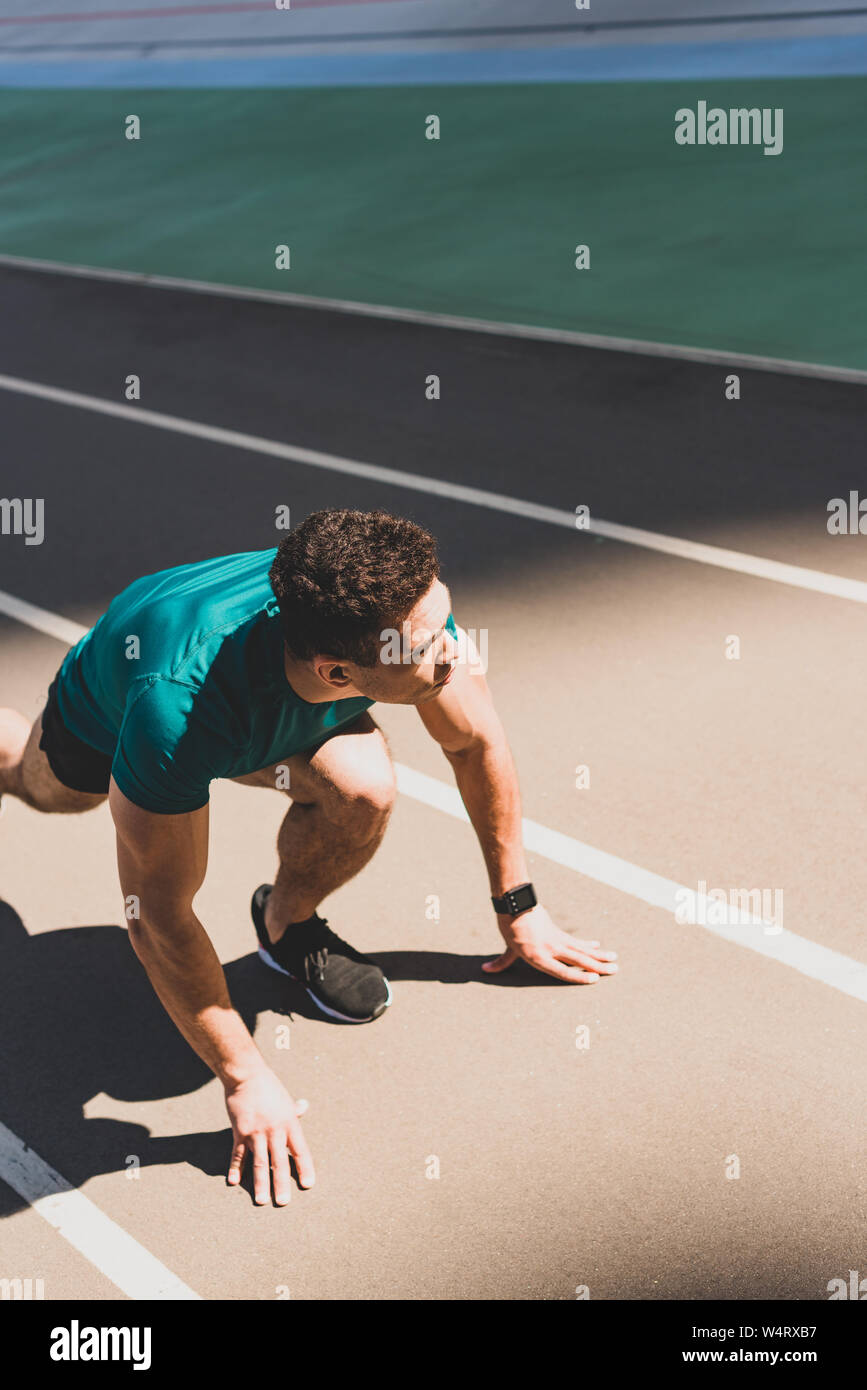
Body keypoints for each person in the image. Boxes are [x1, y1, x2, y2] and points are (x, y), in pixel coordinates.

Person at [0, 508, 617, 1205]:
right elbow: (158, 917)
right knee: (40, 788)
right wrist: (246, 1077)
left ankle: (286, 923)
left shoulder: (396, 613)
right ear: (339, 670)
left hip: (272, 703)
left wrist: (519, 908)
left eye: (444, 616)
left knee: (364, 790)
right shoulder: (170, 711)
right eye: (427, 647)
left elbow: (472, 744)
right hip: (118, 699)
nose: (454, 648)